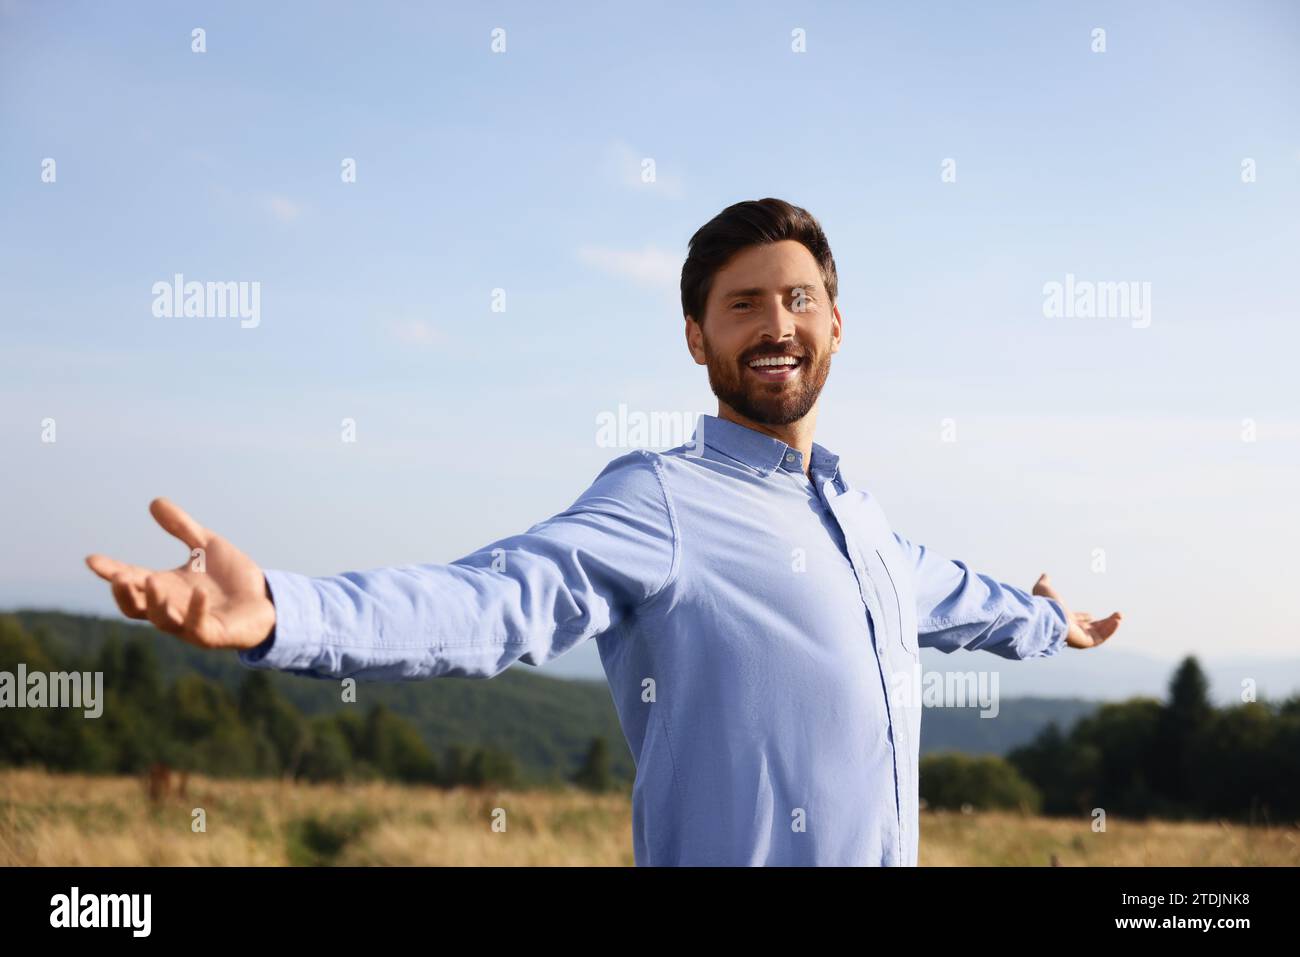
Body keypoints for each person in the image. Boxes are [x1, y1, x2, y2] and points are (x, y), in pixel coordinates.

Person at [86, 197, 1122, 865]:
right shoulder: (662, 501)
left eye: (799, 299)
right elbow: (494, 598)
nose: (776, 325)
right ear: (695, 338)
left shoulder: (863, 526)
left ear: (836, 325)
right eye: (742, 305)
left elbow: (959, 598)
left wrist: (1048, 623)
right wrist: (279, 610)